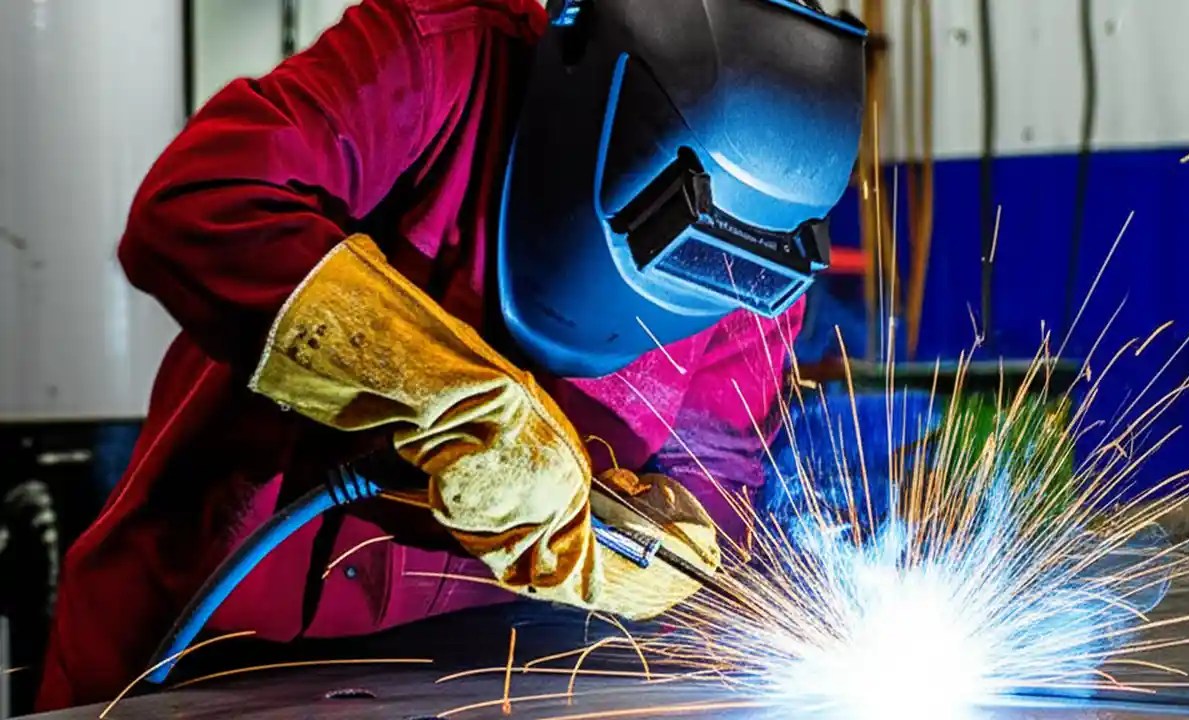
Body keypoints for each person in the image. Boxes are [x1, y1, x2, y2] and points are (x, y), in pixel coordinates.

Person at [37, 0, 864, 709]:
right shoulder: (442, 55)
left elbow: (716, 477)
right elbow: (195, 206)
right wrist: (436, 391)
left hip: (485, 682)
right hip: (195, 658)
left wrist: (665, 548)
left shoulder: (759, 256)